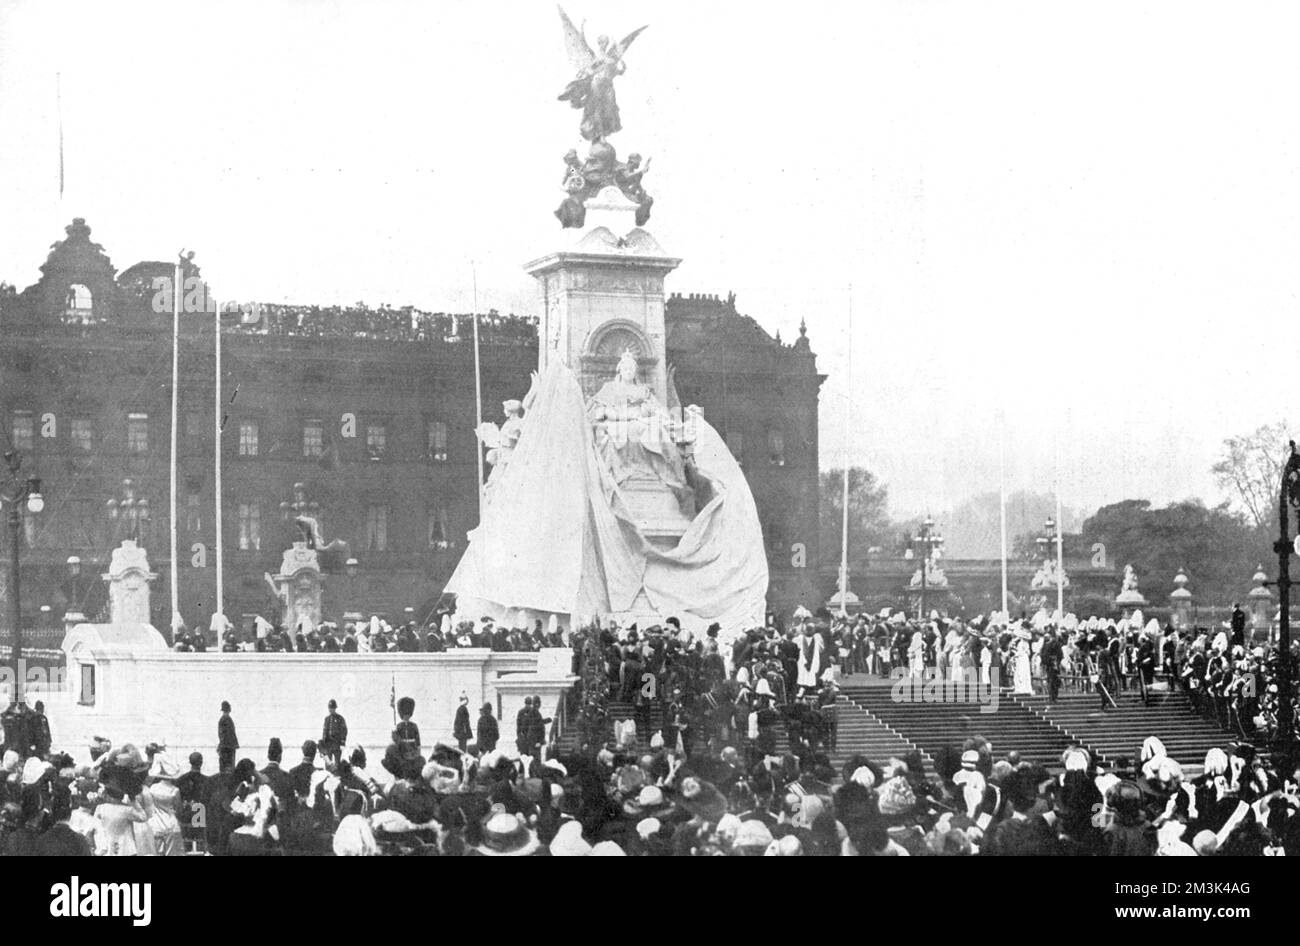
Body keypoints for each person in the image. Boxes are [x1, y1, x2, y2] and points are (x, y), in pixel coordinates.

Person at [321, 699, 348, 764]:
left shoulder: (340, 718)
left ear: (335, 708)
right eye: (330, 708)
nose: (330, 710)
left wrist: (342, 743)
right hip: (328, 745)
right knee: (328, 764)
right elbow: (324, 732)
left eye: (332, 708)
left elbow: (344, 731)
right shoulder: (327, 719)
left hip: (337, 744)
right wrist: (323, 745)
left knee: (337, 764)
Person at [217, 701, 238, 773]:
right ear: (228, 709)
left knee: (224, 769)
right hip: (228, 748)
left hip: (225, 747)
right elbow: (227, 734)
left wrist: (220, 745)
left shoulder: (223, 719)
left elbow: (221, 735)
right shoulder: (226, 719)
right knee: (229, 768)